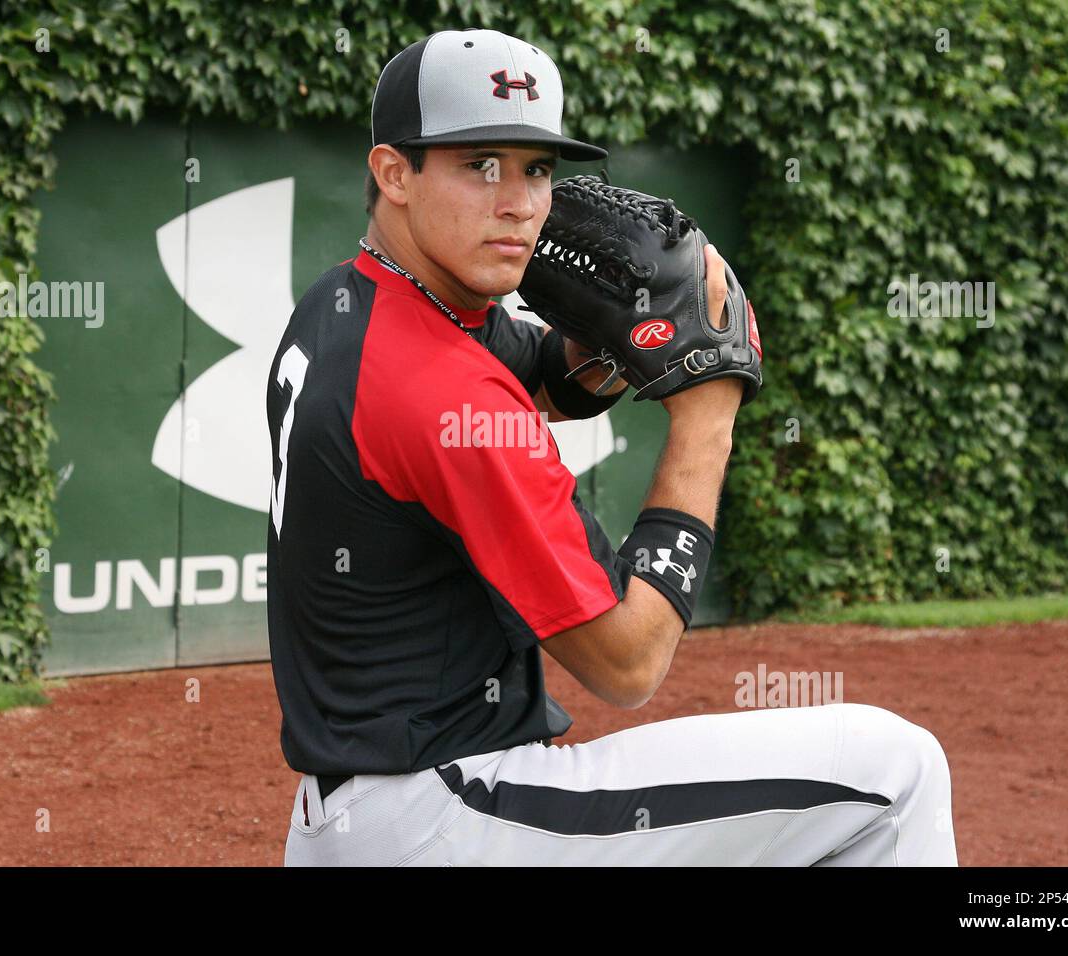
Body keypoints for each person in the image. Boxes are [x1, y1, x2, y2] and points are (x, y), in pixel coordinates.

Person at [265, 28, 958, 866]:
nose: (519, 201)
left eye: (538, 168)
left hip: (353, 812)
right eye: (482, 164)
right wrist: (708, 411)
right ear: (394, 173)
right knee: (896, 773)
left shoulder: (349, 300)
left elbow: (535, 375)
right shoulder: (446, 392)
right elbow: (629, 661)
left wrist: (609, 344)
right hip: (450, 815)